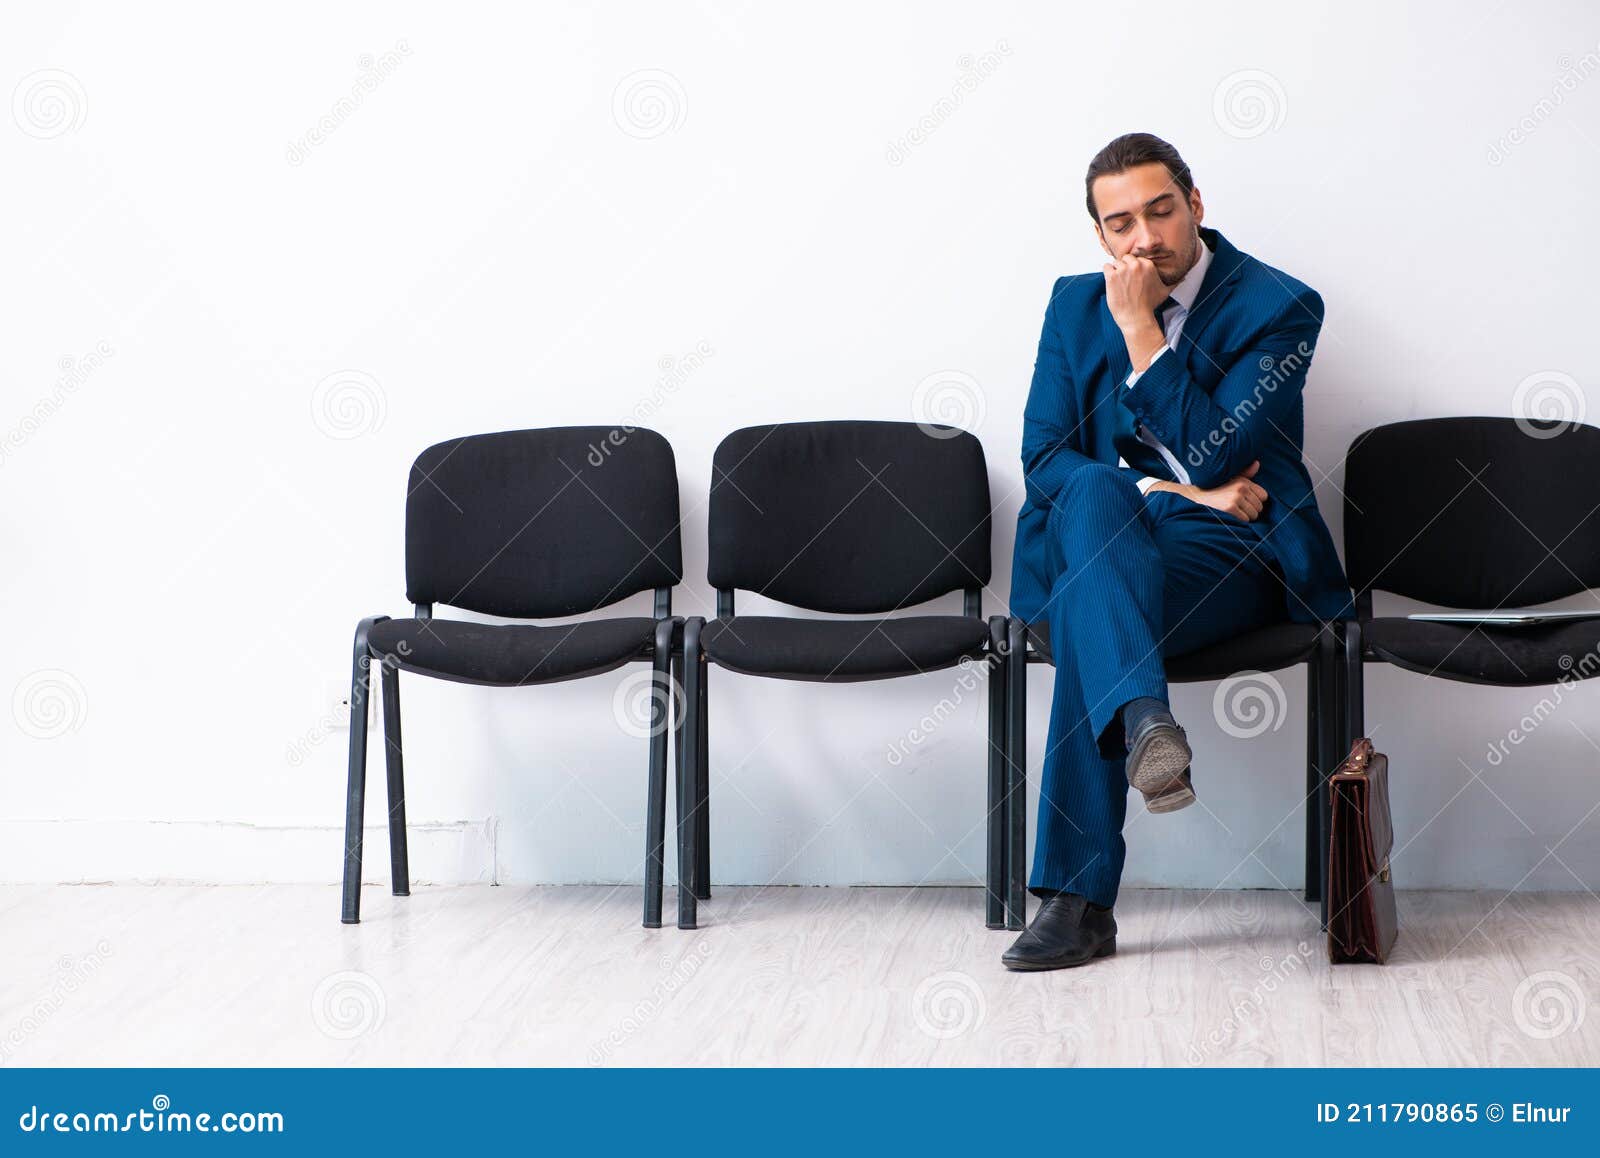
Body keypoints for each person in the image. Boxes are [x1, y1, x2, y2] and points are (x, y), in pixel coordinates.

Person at [1002, 132, 1354, 972]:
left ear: (1194, 205)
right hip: (1111, 537)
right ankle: (1143, 717)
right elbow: (1044, 460)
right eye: (1120, 223)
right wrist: (1161, 491)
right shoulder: (1068, 303)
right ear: (1100, 236)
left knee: (1096, 596)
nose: (1144, 238)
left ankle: (1077, 903)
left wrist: (1142, 338)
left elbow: (1219, 453)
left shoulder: (1278, 305)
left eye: (1160, 211)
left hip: (1229, 553)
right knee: (1091, 496)